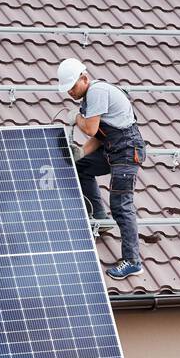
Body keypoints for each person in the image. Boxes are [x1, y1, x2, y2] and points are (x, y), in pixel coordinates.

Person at [56, 58, 146, 279]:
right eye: (67, 90)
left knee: (121, 205)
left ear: (84, 78)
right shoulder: (88, 100)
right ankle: (99, 216)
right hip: (111, 149)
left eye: (72, 87)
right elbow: (99, 136)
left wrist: (76, 118)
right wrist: (82, 153)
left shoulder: (97, 92)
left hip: (126, 151)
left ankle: (132, 261)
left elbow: (90, 128)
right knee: (82, 167)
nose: (70, 92)